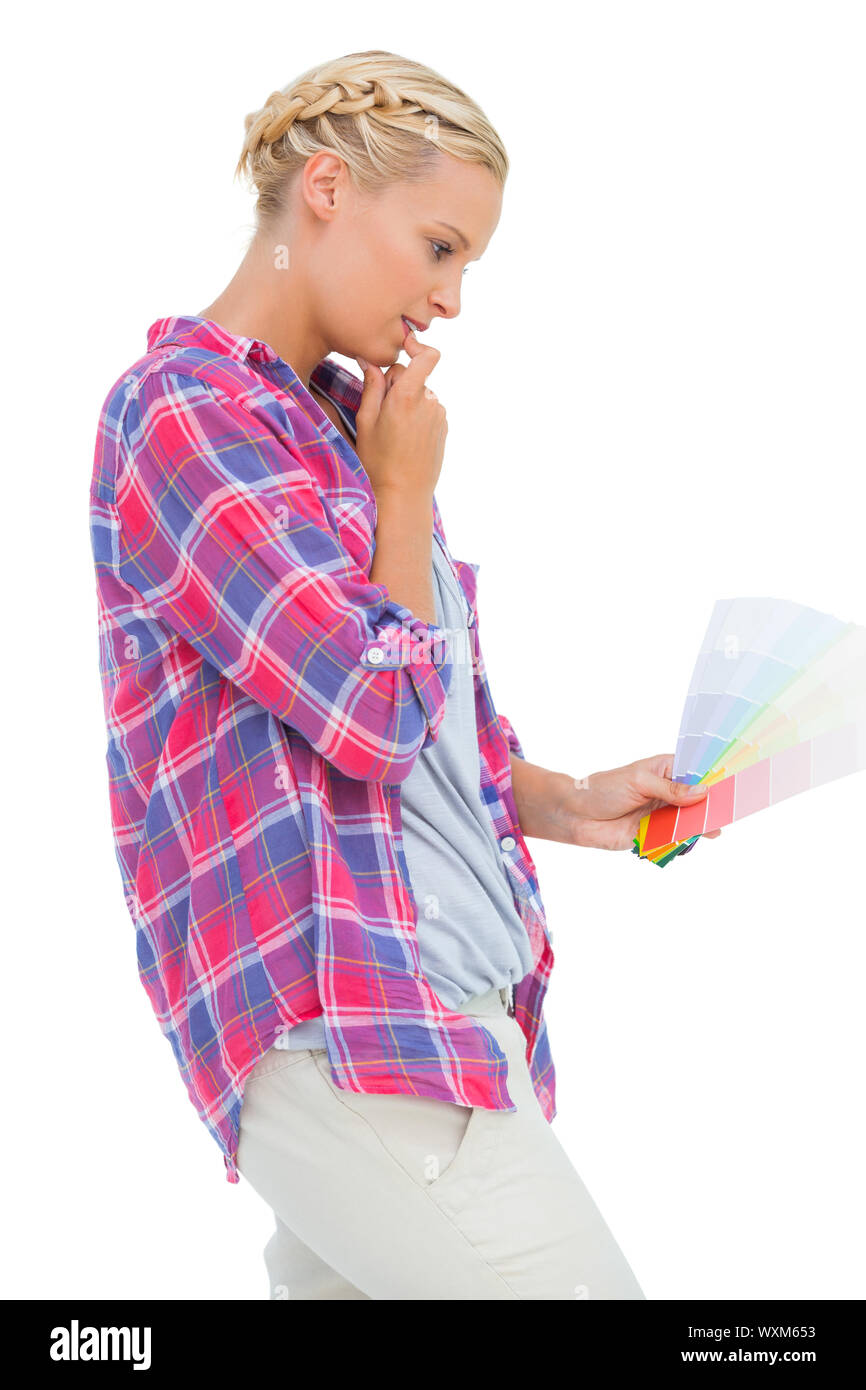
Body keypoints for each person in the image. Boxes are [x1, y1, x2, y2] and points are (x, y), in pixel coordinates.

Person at [89, 48, 719, 1300]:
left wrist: (560, 796)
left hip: (426, 1002)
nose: (449, 299)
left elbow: (422, 731)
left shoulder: (338, 422)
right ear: (326, 187)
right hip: (352, 1021)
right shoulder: (184, 412)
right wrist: (402, 488)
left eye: (465, 263)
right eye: (440, 247)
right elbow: (371, 712)